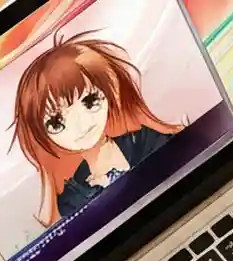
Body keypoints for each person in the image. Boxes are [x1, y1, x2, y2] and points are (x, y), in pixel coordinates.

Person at [11, 32, 184, 227]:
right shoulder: (72, 197)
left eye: (90, 101)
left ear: (111, 93)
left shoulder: (143, 140)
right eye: (56, 122)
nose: (80, 124)